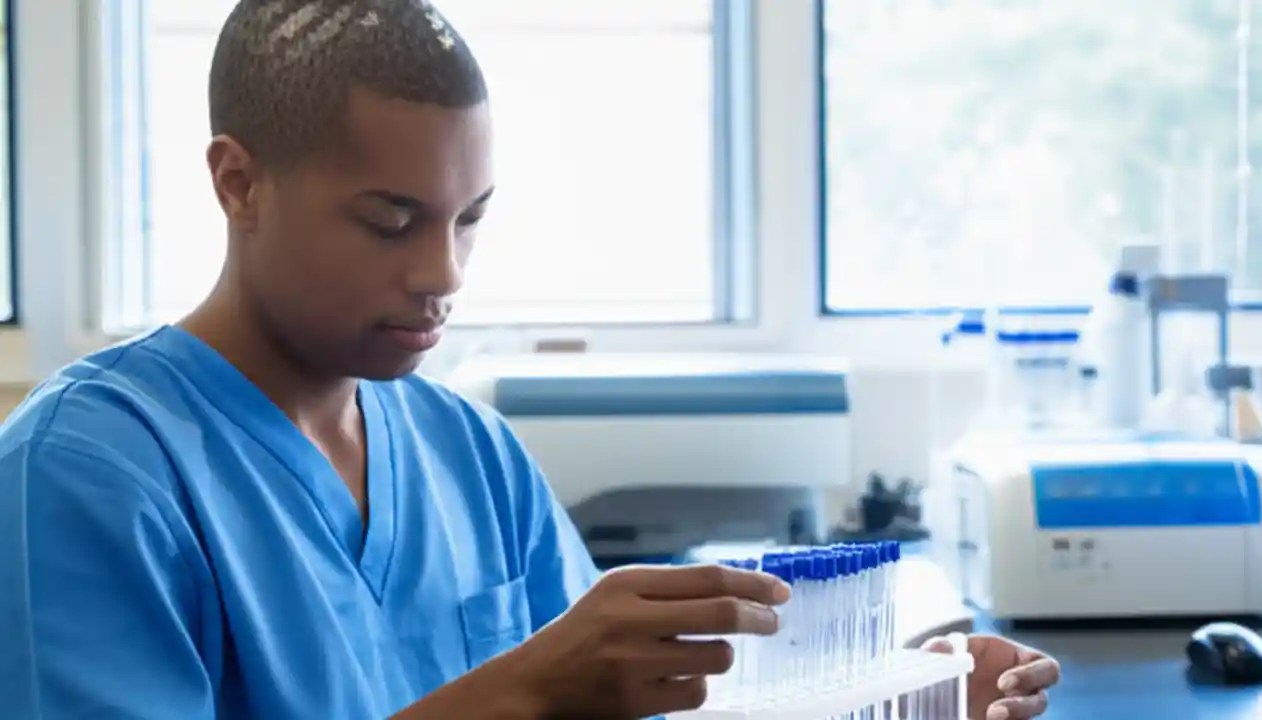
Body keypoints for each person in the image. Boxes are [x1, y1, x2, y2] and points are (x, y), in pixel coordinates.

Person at [0, 1, 1060, 718]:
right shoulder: (88, 474)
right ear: (238, 184)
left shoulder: (469, 450)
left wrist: (903, 698)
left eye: (468, 219)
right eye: (390, 221)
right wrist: (526, 692)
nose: (442, 273)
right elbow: (544, 693)